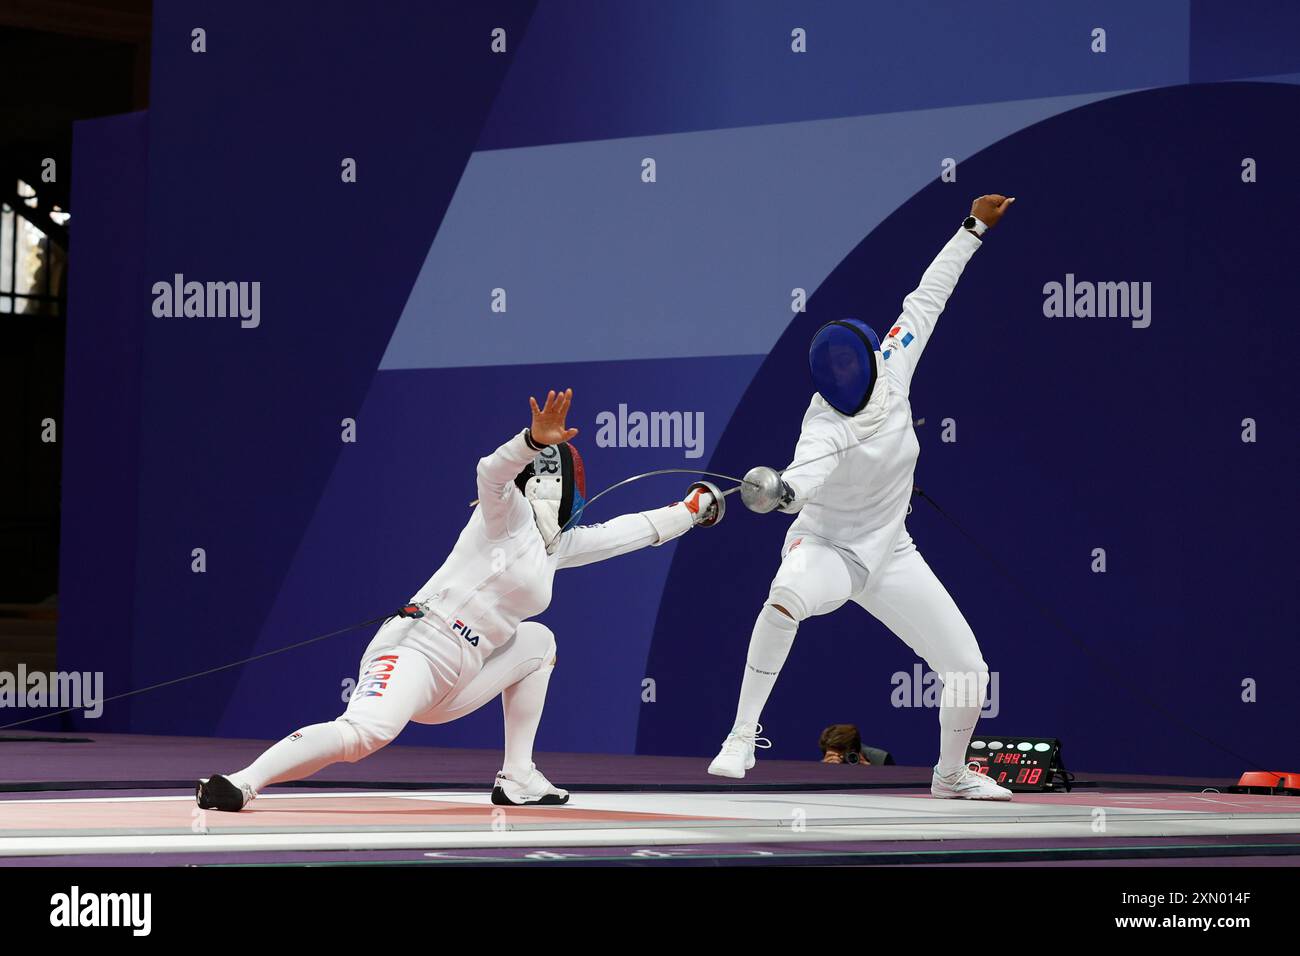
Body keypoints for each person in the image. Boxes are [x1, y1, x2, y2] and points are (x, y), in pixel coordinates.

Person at [197, 389, 721, 810]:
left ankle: (517, 777)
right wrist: (530, 441)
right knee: (364, 735)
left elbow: (629, 531)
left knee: (539, 642)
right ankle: (241, 782)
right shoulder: (504, 515)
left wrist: (692, 510)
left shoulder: (553, 548)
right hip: (416, 651)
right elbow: (490, 472)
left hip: (460, 677)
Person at [708, 196, 1016, 800]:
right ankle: (742, 734)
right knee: (783, 600)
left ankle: (951, 774)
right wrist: (783, 493)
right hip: (828, 547)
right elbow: (804, 475)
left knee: (968, 672)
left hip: (891, 551)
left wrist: (974, 228)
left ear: (869, 359)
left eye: (851, 361)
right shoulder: (824, 424)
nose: (844, 375)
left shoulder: (895, 361)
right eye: (834, 369)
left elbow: (929, 296)